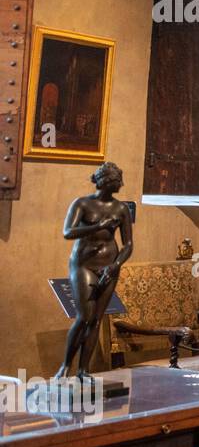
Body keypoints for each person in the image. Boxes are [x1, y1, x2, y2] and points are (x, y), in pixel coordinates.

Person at [54, 162, 133, 381]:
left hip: (109, 265)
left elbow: (128, 244)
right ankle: (65, 366)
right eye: (115, 180)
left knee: (97, 319)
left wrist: (116, 264)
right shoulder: (82, 204)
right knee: (84, 316)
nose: (119, 184)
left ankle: (83, 370)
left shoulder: (121, 208)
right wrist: (99, 226)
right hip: (84, 264)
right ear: (104, 181)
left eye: (119, 180)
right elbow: (68, 232)